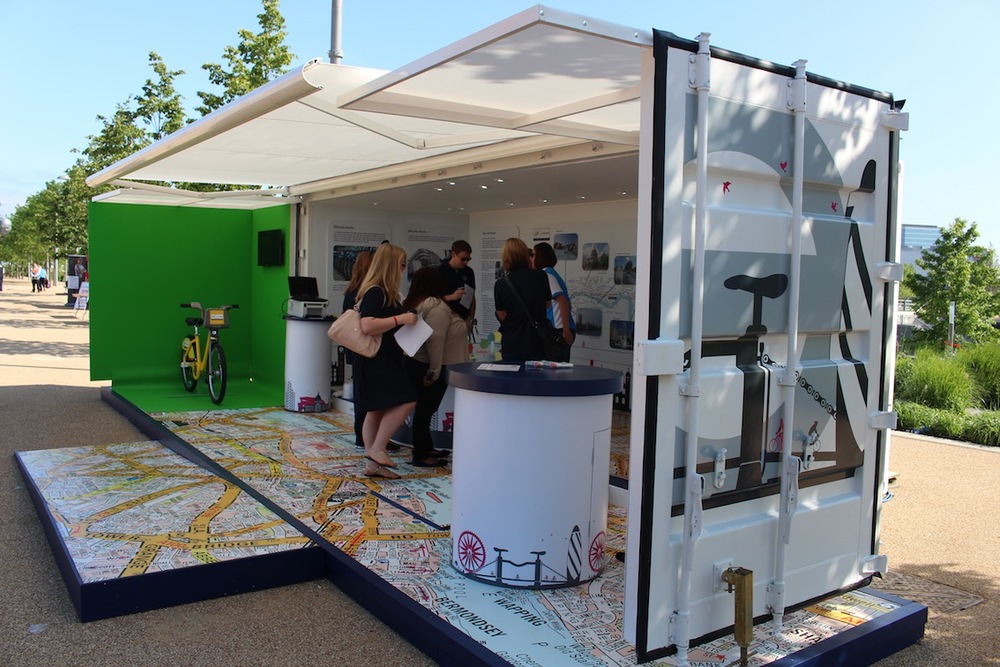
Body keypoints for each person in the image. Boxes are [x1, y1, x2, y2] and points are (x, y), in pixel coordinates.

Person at [354, 243, 418, 479]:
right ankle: (378, 449)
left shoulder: (380, 291)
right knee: (408, 399)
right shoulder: (376, 291)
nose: (403, 269)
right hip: (377, 358)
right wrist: (400, 319)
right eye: (402, 264)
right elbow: (367, 325)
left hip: (380, 357)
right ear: (391, 265)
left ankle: (373, 464)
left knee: (376, 409)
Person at [402, 267, 467, 467]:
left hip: (418, 362)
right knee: (425, 410)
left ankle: (425, 447)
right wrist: (435, 371)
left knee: (425, 410)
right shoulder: (436, 306)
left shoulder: (420, 302)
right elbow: (436, 340)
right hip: (429, 366)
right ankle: (421, 455)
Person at [493, 237, 550, 362]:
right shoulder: (541, 276)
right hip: (537, 341)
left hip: (512, 341)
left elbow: (501, 313)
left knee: (512, 380)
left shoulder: (502, 284)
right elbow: (547, 304)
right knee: (536, 380)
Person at [341, 250, 373, 448]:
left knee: (361, 391)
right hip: (365, 347)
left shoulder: (350, 290)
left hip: (353, 346)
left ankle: (360, 434)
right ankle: (364, 436)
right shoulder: (367, 292)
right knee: (367, 393)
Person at [532, 242, 576, 361]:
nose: (531, 258)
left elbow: (562, 302)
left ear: (540, 256)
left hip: (560, 331)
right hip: (561, 329)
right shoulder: (551, 273)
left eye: (533, 254)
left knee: (556, 371)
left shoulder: (547, 276)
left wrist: (565, 330)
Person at [437, 240, 476, 330]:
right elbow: (433, 300)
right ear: (453, 254)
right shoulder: (439, 272)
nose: (466, 262)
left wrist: (471, 319)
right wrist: (451, 297)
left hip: (463, 320)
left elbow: (472, 297)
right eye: (463, 259)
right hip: (444, 321)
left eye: (468, 259)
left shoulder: (469, 272)